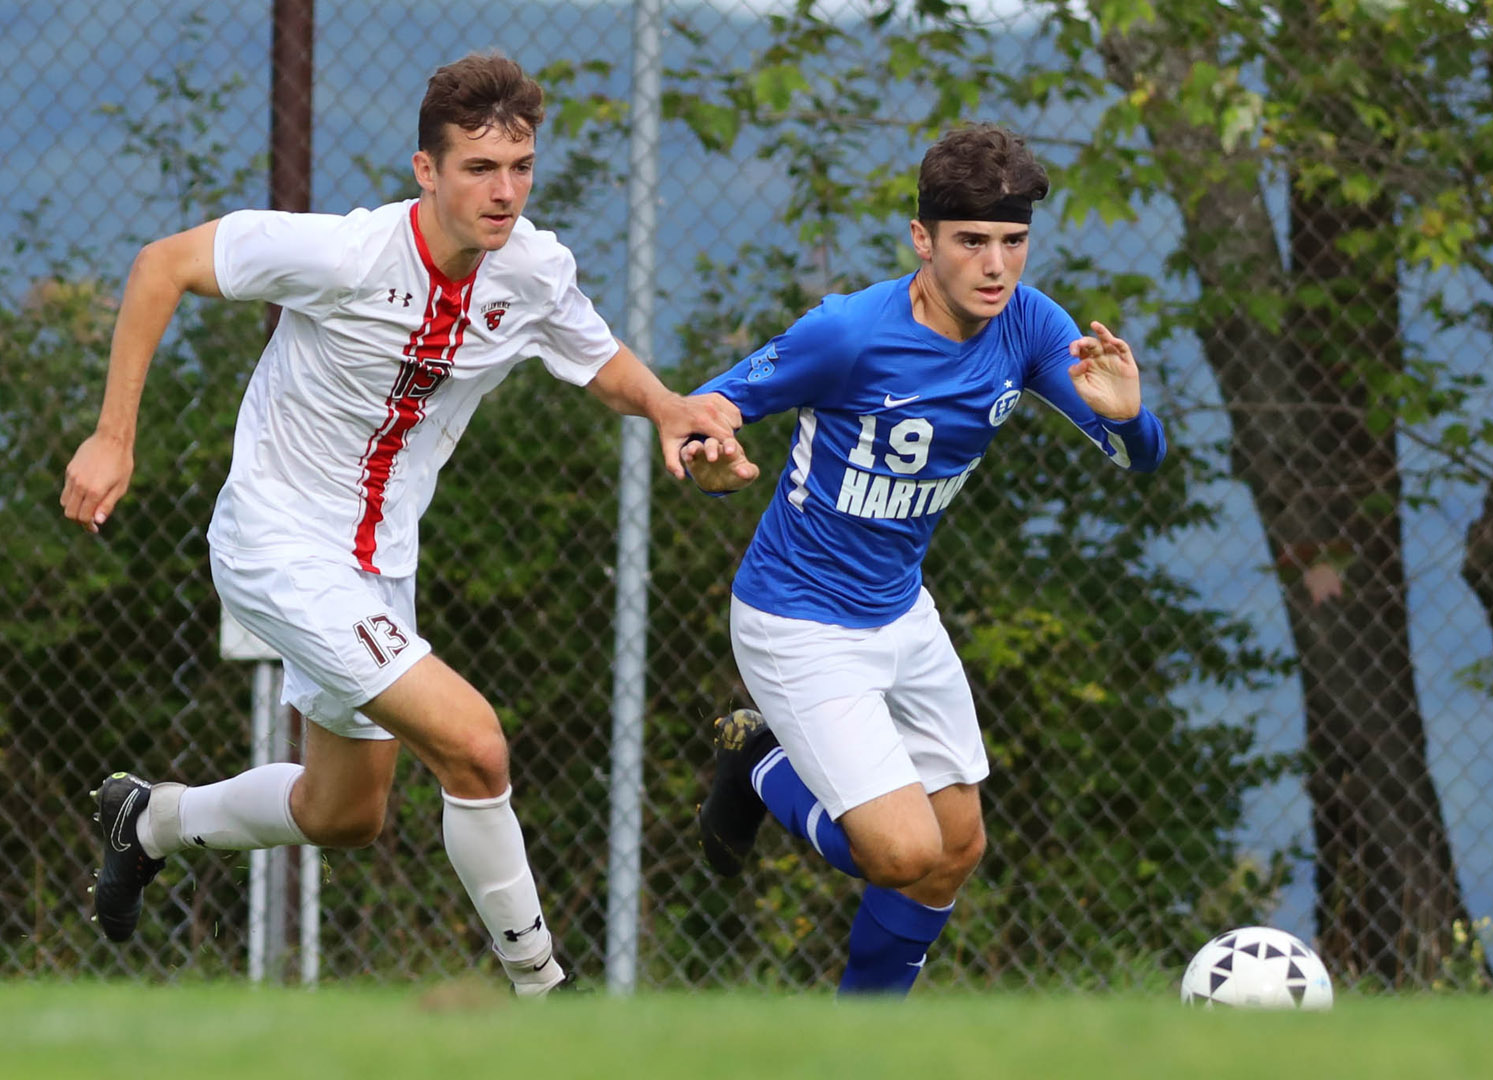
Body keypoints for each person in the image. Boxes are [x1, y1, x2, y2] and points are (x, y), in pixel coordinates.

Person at [60, 52, 746, 996]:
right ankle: (548, 994)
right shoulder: (347, 254)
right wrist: (111, 437)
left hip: (379, 564)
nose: (504, 193)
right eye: (478, 168)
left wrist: (670, 407)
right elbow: (162, 265)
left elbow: (595, 359)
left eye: (520, 168)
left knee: (342, 813)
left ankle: (151, 821)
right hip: (274, 542)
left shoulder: (532, 272)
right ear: (427, 171)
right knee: (473, 742)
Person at [681, 123, 1166, 995]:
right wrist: (712, 464)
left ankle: (865, 1040)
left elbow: (1137, 461)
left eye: (1013, 242)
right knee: (902, 853)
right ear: (923, 239)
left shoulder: (1027, 325)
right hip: (797, 620)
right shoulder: (847, 335)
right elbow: (704, 411)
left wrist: (1130, 420)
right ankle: (758, 762)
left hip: (902, 611)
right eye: (971, 241)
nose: (995, 265)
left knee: (958, 849)